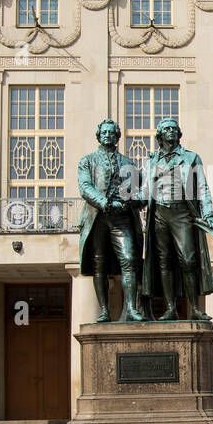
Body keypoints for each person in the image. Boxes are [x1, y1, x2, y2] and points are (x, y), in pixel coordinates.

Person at [139, 117, 213, 321]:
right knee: (164, 261)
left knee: (188, 259)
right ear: (159, 135)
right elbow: (143, 192)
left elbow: (202, 187)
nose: (171, 131)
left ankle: (194, 307)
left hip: (181, 212)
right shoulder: (151, 162)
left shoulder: (191, 157)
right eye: (166, 129)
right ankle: (170, 308)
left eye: (174, 128)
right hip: (158, 213)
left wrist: (208, 213)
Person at [77, 119, 146, 322]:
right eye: (104, 132)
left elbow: (137, 191)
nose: (108, 135)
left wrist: (131, 201)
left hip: (122, 218)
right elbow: (85, 187)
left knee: (129, 259)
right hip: (97, 217)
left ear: (117, 136)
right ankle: (105, 310)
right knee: (99, 263)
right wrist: (105, 202)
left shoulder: (128, 163)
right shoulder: (87, 160)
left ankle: (132, 308)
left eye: (111, 132)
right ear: (99, 136)